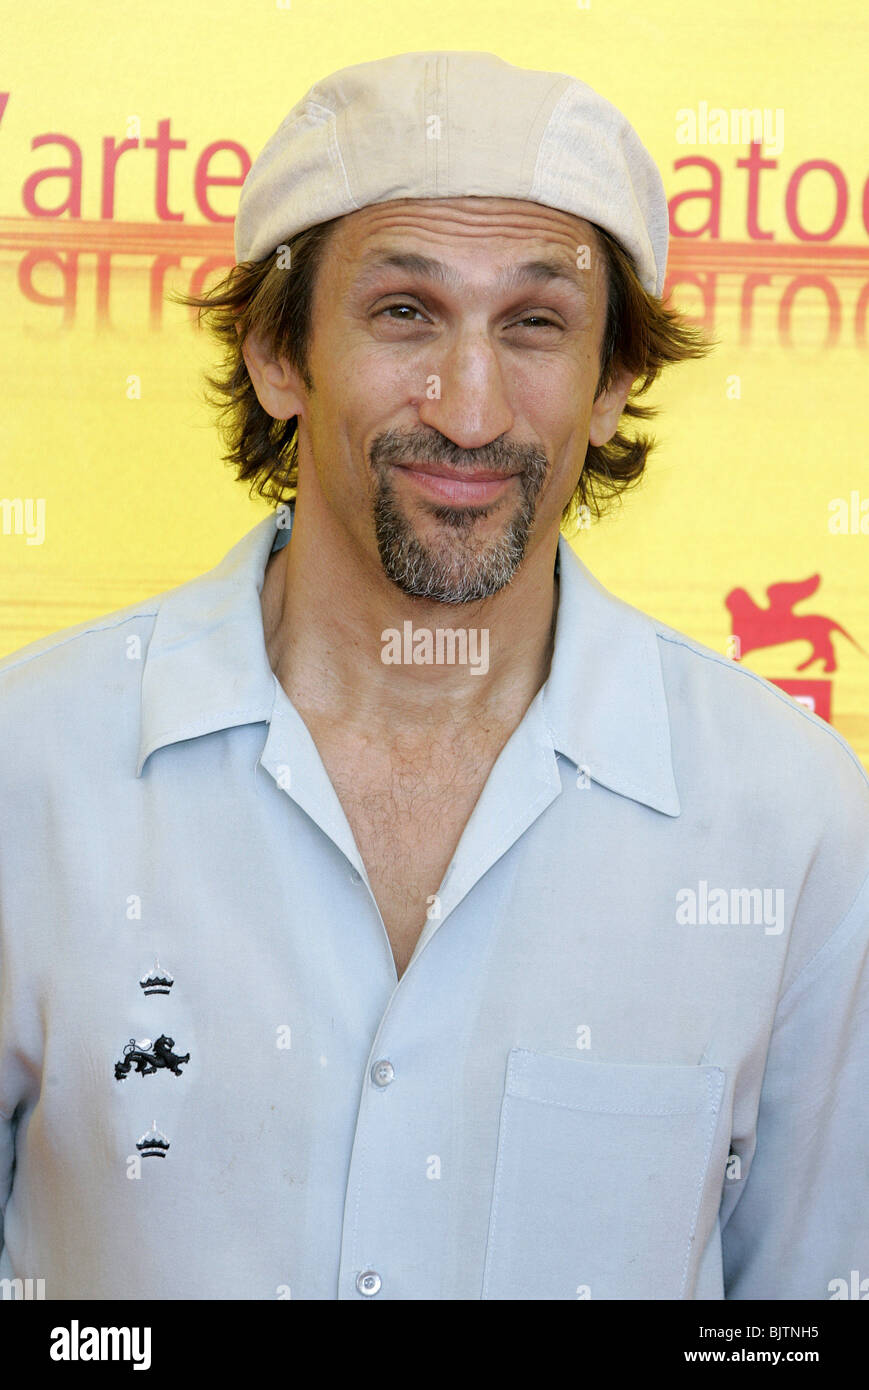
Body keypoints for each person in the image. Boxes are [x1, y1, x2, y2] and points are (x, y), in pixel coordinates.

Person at [0, 50, 866, 1302]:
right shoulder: (33, 769)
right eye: (403, 312)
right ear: (276, 357)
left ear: (614, 383)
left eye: (534, 324)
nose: (468, 409)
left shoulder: (790, 823)